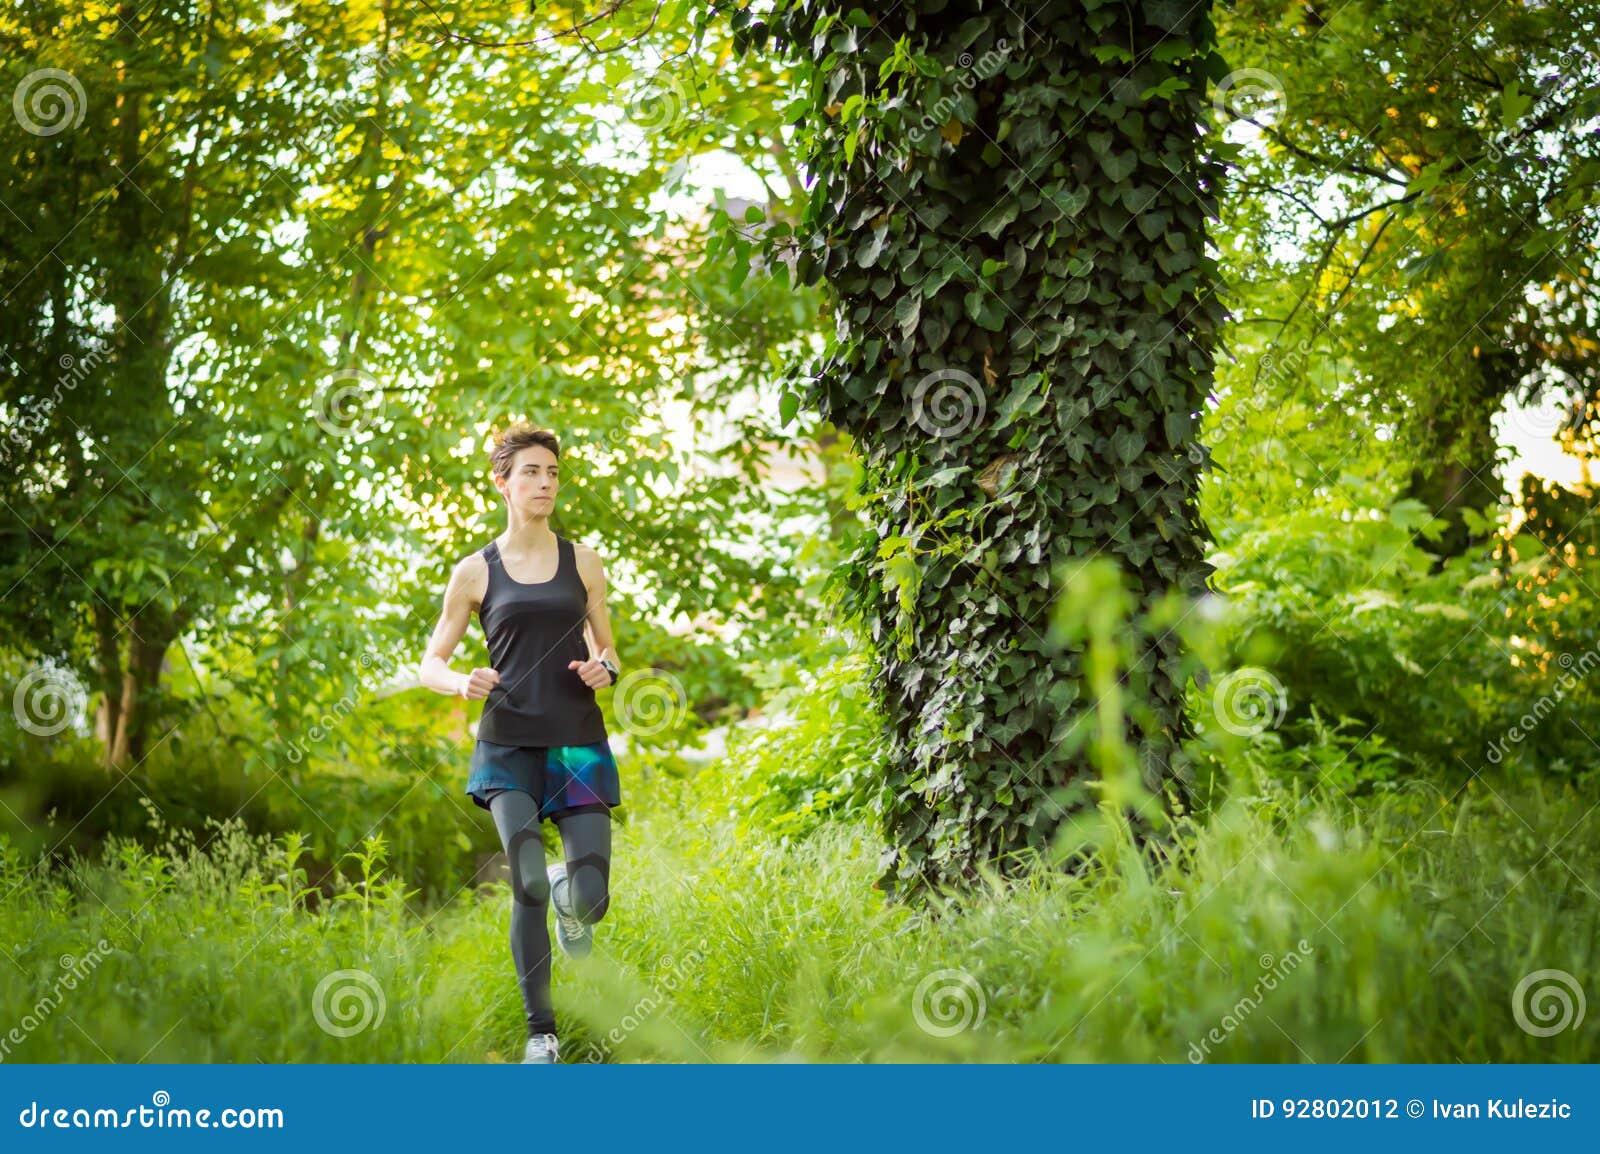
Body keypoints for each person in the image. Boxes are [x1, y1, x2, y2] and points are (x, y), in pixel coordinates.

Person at [418, 422, 623, 1065]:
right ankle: (543, 1033)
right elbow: (430, 661)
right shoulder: (474, 572)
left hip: (578, 743)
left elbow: (608, 649)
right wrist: (460, 682)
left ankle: (573, 893)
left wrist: (606, 669)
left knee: (590, 898)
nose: (545, 484)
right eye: (532, 472)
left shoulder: (583, 562)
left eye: (553, 473)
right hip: (507, 746)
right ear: (502, 483)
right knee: (527, 884)